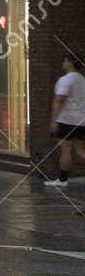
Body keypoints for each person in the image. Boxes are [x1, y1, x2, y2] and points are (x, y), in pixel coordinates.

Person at [46, 54, 85, 186]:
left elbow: (60, 99)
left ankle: (62, 180)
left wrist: (54, 120)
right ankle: (62, 179)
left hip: (67, 120)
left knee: (66, 149)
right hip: (81, 120)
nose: (63, 62)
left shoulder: (66, 80)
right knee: (80, 150)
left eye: (65, 60)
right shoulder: (82, 80)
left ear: (70, 63)